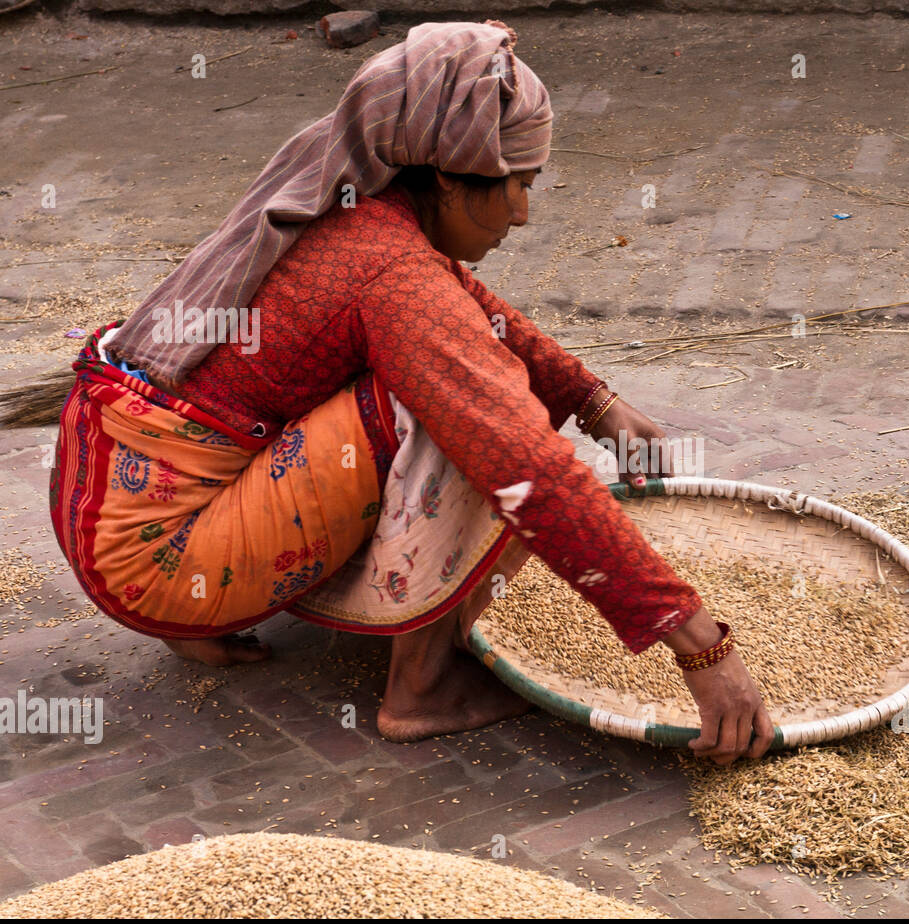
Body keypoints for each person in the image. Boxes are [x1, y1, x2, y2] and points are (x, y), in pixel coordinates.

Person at [44, 19, 774, 764]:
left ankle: (205, 611)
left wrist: (594, 400)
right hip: (157, 554)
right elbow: (526, 464)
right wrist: (698, 644)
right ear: (449, 180)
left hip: (107, 499)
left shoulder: (346, 188)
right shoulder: (390, 268)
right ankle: (423, 687)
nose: (524, 213)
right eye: (518, 185)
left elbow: (463, 300)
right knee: (467, 415)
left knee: (455, 364)